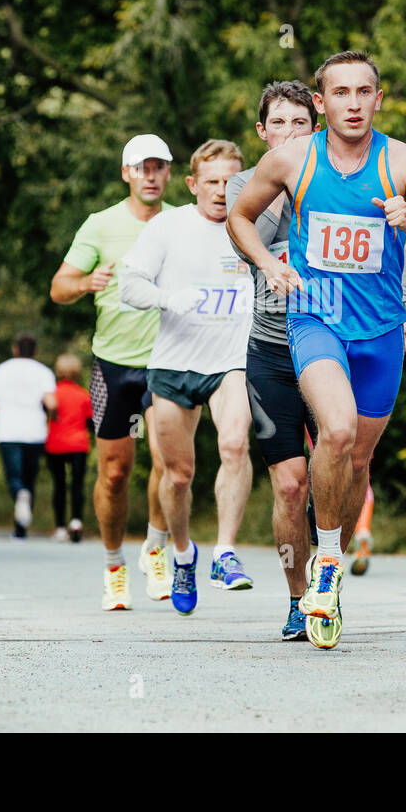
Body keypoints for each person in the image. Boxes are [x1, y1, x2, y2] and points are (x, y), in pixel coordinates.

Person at [228, 50, 406, 648]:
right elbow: (238, 215)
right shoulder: (291, 160)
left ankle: (328, 552)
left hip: (381, 332)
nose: (353, 104)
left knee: (357, 461)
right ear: (321, 101)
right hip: (315, 321)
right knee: (333, 432)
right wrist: (266, 263)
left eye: (365, 92)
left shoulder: (404, 164)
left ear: (378, 99)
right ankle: (327, 564)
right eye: (341, 93)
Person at [120, 138, 257, 615]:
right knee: (178, 476)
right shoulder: (169, 226)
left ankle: (225, 552)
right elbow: (128, 282)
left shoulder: (257, 227)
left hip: (230, 363)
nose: (222, 191)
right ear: (193, 184)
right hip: (174, 364)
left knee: (235, 445)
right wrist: (164, 299)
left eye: (232, 182)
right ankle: (182, 555)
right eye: (213, 182)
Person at [49, 134, 176, 608]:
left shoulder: (182, 223)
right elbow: (58, 288)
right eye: (141, 168)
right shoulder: (100, 225)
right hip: (114, 363)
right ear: (126, 173)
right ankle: (114, 565)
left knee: (168, 463)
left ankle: (155, 549)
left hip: (168, 359)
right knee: (116, 472)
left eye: (158, 167)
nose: (150, 175)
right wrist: (85, 281)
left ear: (168, 174)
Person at [0, 334, 57, 539]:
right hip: (35, 432)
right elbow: (52, 403)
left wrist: (0, 408)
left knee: (14, 476)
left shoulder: (1, 370)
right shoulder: (43, 372)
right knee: (29, 478)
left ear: (15, 349)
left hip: (8, 431)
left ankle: (19, 500)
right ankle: (20, 528)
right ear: (34, 351)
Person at [46, 354, 94, 542]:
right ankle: (76, 521)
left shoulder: (52, 394)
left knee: (58, 485)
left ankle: (59, 527)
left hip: (55, 444)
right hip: (78, 445)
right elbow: (91, 422)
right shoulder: (83, 395)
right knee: (77, 485)